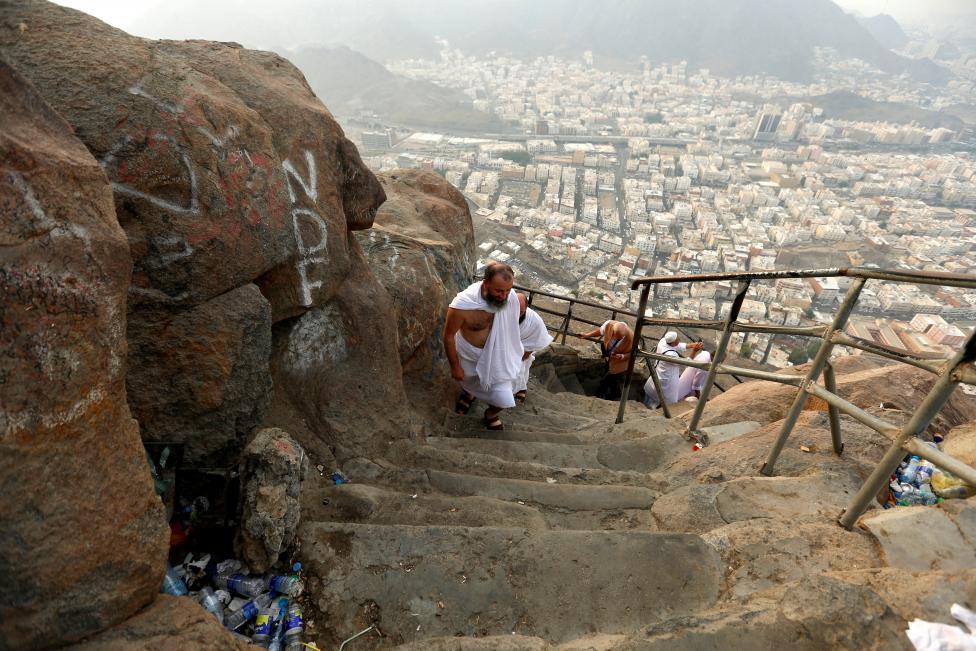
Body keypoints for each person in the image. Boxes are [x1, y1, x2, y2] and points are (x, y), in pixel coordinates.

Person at [443, 262, 524, 431]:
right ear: (486, 283)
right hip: (469, 357)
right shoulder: (463, 305)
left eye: (508, 290)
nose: (504, 296)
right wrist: (455, 366)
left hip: (498, 356)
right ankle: (469, 395)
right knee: (471, 383)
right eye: (499, 291)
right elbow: (448, 336)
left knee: (504, 400)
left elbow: (511, 323)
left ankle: (490, 414)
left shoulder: (510, 298)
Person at [643, 331, 703, 409]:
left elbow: (677, 345)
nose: (679, 339)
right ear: (673, 343)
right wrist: (694, 351)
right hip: (666, 382)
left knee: (652, 397)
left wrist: (692, 345)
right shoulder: (671, 355)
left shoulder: (663, 341)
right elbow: (685, 362)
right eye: (678, 339)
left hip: (658, 375)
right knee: (663, 402)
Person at [513, 293, 554, 405]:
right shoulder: (501, 313)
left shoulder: (534, 322)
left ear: (526, 308)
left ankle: (520, 388)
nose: (516, 315)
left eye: (520, 311)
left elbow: (534, 343)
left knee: (522, 365)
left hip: (525, 347)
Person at [578, 320, 634, 401]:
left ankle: (598, 396)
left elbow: (634, 353)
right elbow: (600, 332)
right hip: (609, 356)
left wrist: (622, 356)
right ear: (613, 330)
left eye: (621, 338)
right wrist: (587, 335)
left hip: (619, 362)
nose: (618, 338)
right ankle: (615, 394)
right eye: (616, 336)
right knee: (612, 379)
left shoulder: (632, 337)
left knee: (606, 379)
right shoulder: (609, 325)